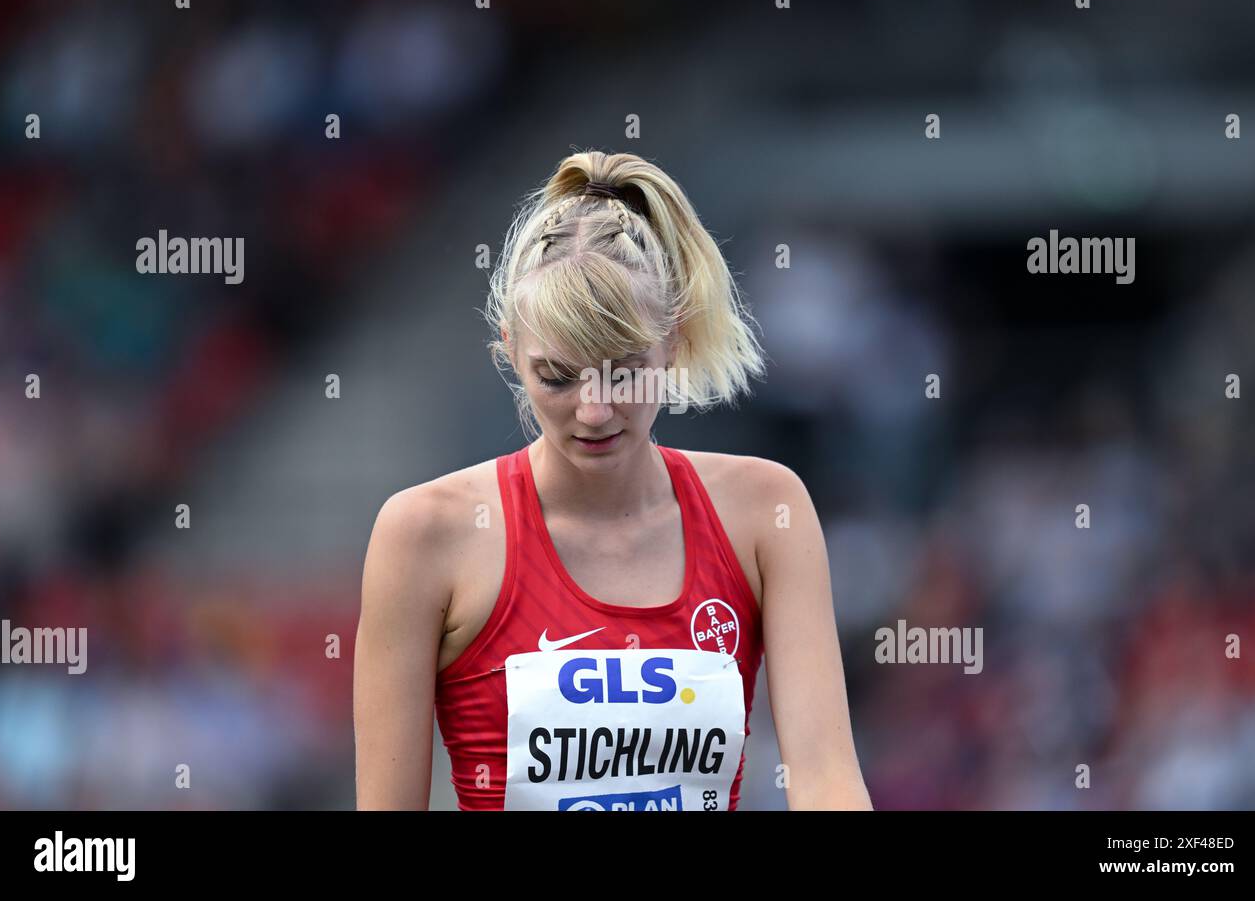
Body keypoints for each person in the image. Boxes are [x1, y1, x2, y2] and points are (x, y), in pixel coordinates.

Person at [354, 149, 873, 811]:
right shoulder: (425, 533)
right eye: (558, 376)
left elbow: (828, 780)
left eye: (624, 370)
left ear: (674, 341)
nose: (594, 410)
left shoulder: (767, 508)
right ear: (510, 348)